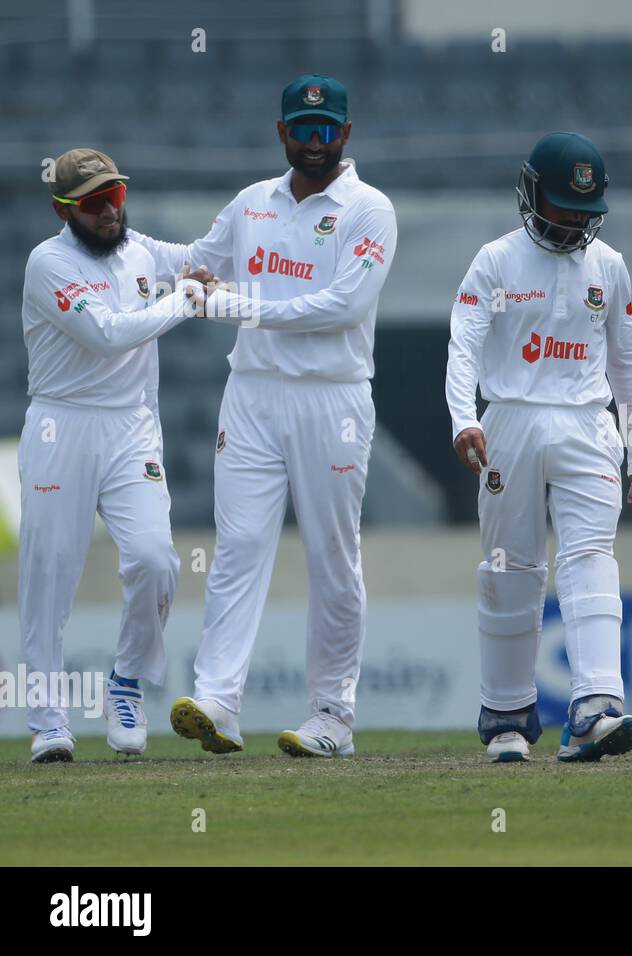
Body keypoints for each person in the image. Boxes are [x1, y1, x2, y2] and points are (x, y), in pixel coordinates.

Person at [131, 74, 398, 757]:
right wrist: (114, 233)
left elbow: (341, 305)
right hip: (251, 396)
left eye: (327, 129)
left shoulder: (370, 209)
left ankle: (333, 715)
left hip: (331, 398)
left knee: (332, 557)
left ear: (346, 132)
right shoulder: (252, 204)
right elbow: (193, 262)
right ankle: (218, 700)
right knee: (240, 547)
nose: (316, 142)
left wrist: (236, 305)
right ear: (281, 132)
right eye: (303, 130)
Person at [445, 131, 632, 763]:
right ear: (531, 193)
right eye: (562, 206)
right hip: (508, 419)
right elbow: (462, 344)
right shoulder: (495, 260)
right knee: (511, 570)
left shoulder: (609, 267)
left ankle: (596, 706)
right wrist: (464, 419)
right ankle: (507, 715)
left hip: (588, 424)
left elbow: (630, 365)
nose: (572, 223)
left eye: (583, 212)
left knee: (591, 555)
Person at [20, 148, 210, 761]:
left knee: (157, 560)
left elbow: (202, 256)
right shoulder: (47, 263)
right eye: (94, 202)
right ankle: (49, 719)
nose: (108, 211)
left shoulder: (140, 252)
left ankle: (125, 684)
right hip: (61, 425)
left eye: (116, 197)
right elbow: (105, 334)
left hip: (131, 429)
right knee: (49, 573)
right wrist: (183, 300)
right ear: (63, 208)